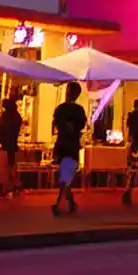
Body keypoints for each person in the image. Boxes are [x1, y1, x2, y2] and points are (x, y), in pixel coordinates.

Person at [52, 82, 87, 215]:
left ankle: (63, 201)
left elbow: (56, 124)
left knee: (64, 172)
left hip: (63, 143)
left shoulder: (61, 109)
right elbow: (81, 125)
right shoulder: (78, 110)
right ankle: (66, 200)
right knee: (67, 172)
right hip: (71, 144)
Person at [0, 99, 24, 197]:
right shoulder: (16, 116)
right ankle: (13, 184)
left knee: (7, 164)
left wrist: (0, 138)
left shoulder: (6, 116)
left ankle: (8, 185)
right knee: (11, 164)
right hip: (12, 142)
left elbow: (2, 129)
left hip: (7, 143)